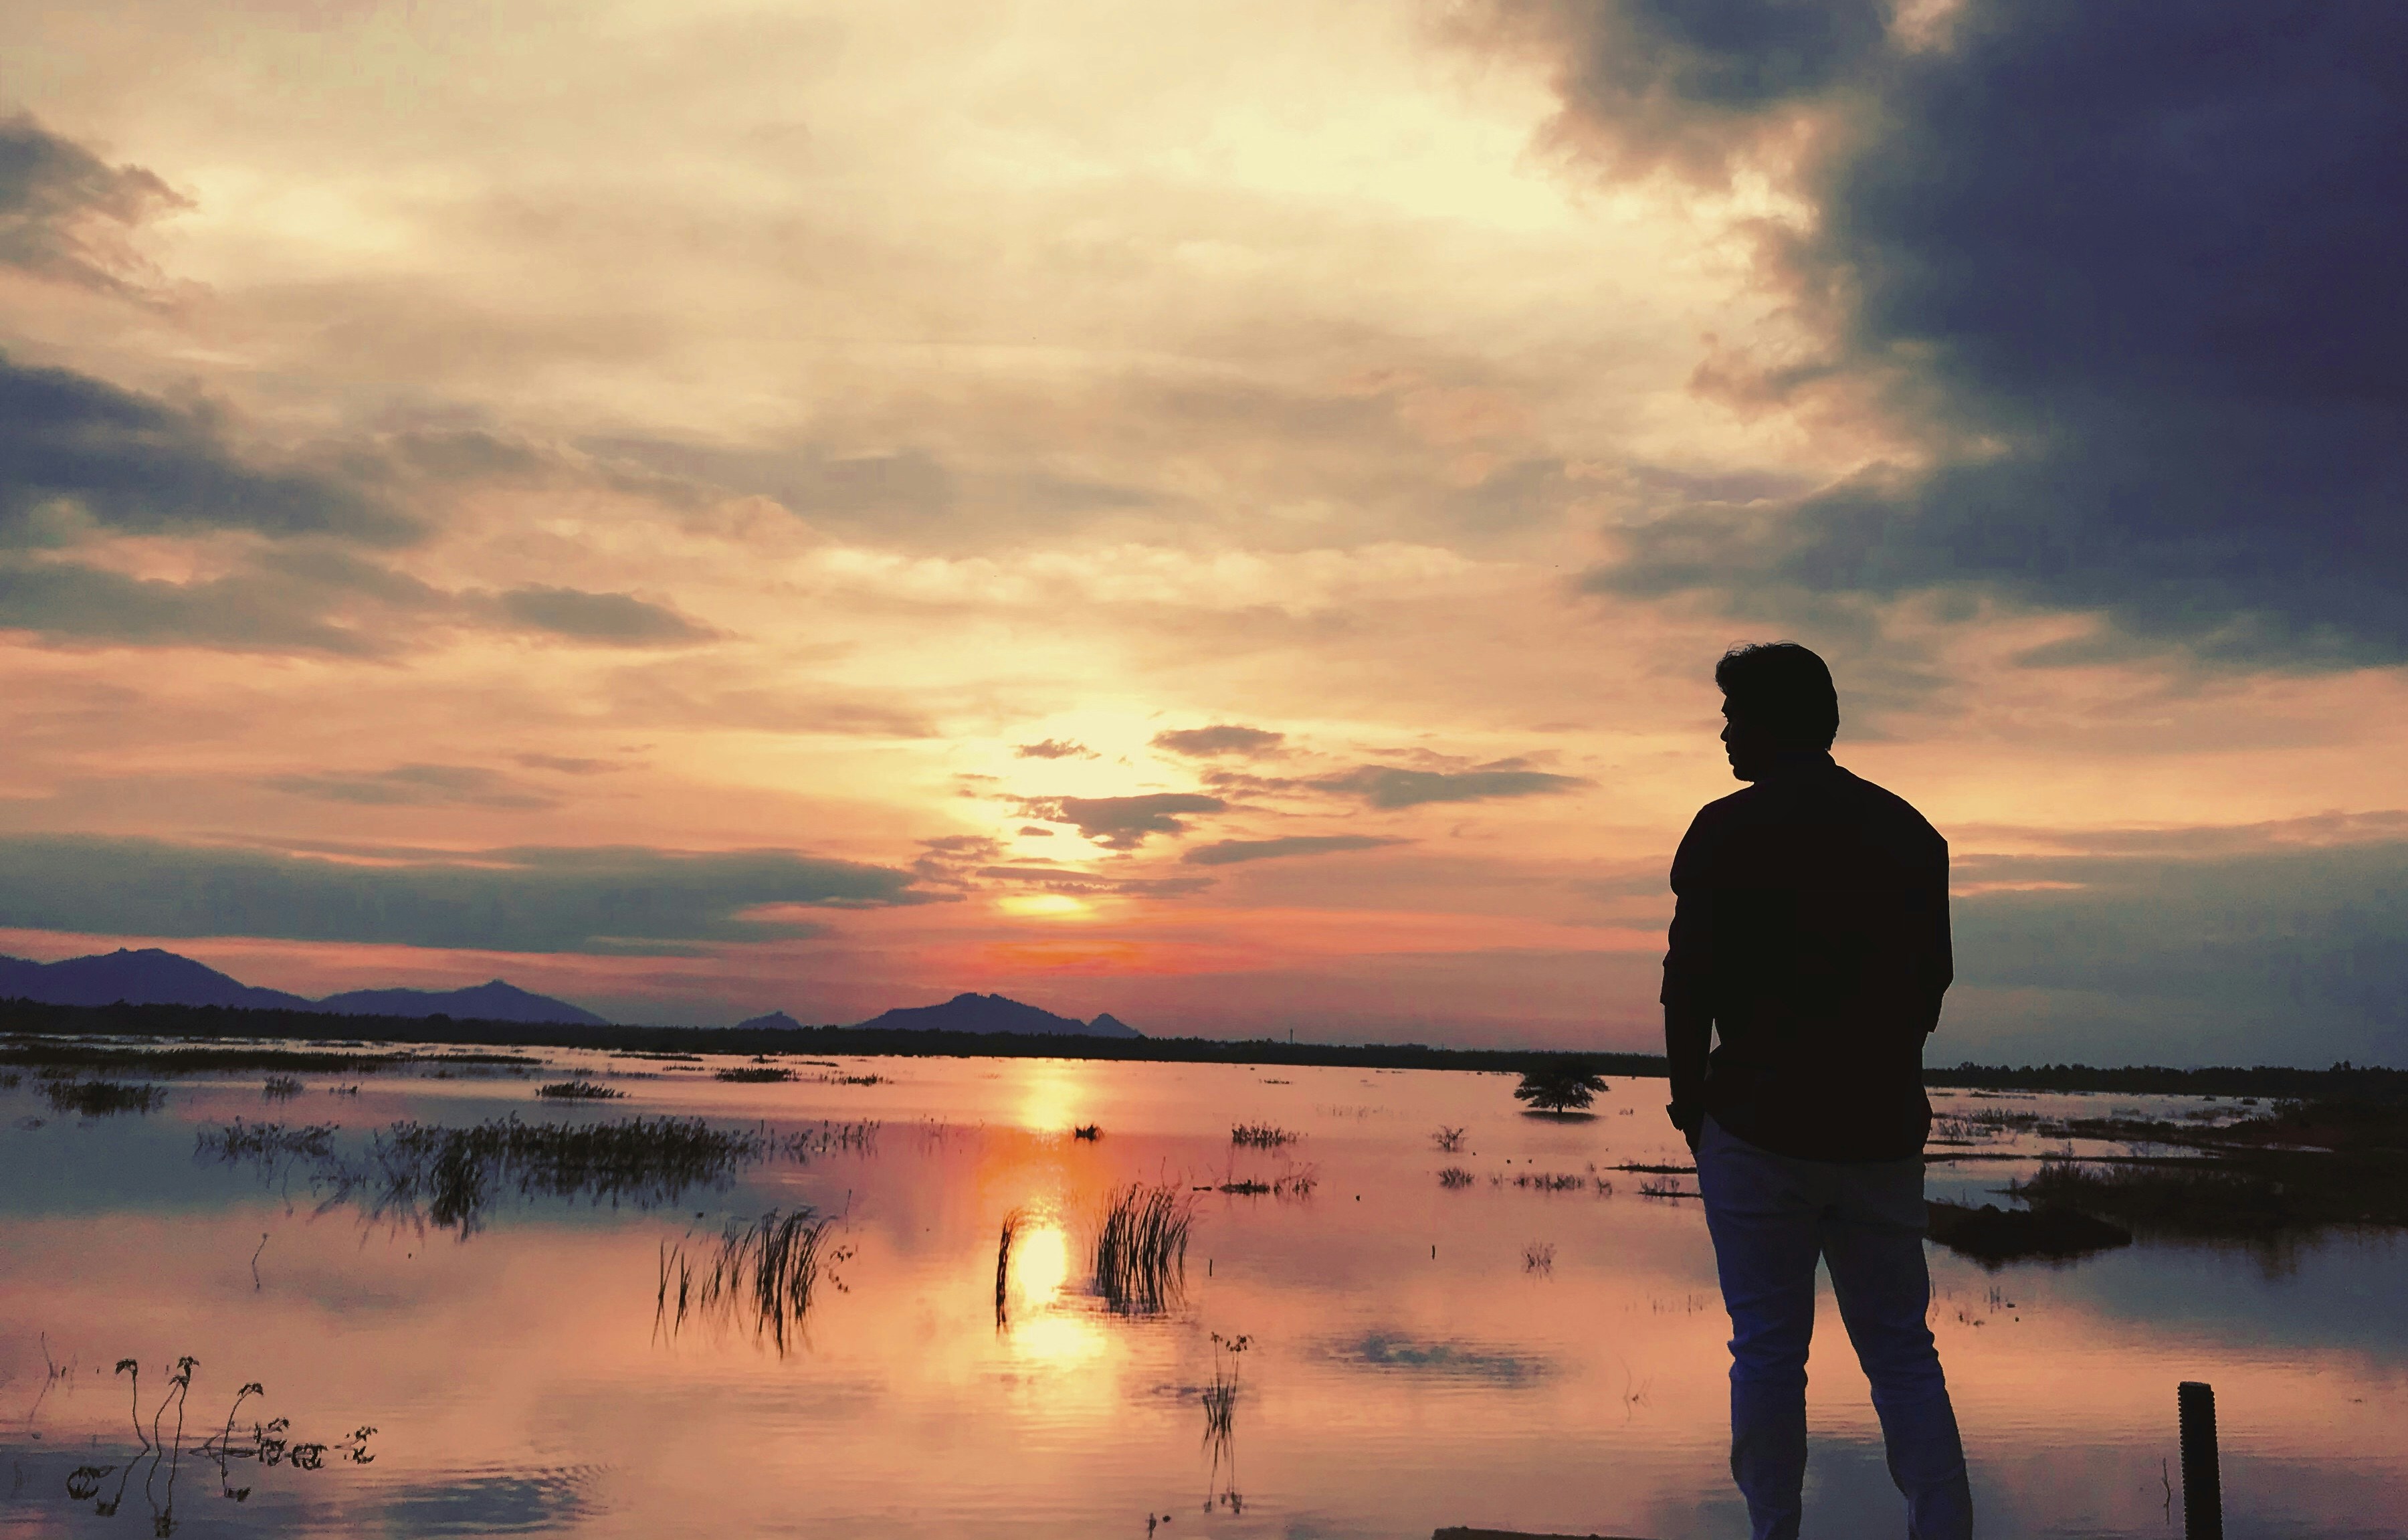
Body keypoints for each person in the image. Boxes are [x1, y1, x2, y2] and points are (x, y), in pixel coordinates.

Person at [1662, 642, 1972, 1540]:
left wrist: (1693, 1105)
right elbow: (1932, 987)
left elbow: (1687, 985)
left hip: (1757, 1128)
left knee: (1766, 1347)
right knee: (1902, 1351)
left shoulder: (1724, 830)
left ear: (1773, 722)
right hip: (1877, 1130)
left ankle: (1775, 1531)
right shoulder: (1911, 834)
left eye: (1734, 715)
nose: (1723, 732)